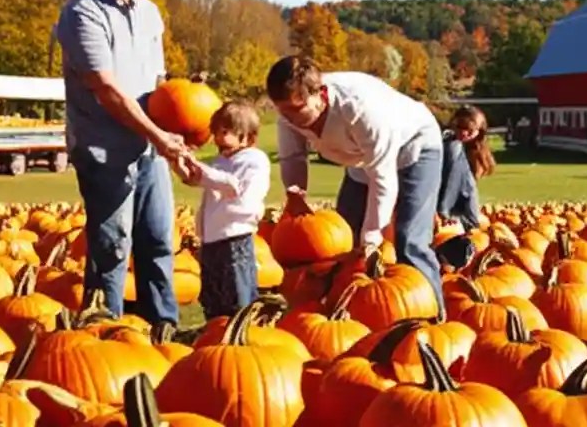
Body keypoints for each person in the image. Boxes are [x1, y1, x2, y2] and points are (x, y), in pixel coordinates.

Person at [55, 0, 187, 326]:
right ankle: (103, 329)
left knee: (159, 239)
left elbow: (159, 82)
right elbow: (108, 91)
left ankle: (163, 327)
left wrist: (177, 124)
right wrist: (159, 135)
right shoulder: (83, 13)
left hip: (149, 147)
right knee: (112, 246)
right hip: (104, 150)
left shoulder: (148, 13)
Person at [266, 55, 447, 317]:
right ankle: (346, 316)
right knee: (342, 240)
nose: (291, 118)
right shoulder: (289, 115)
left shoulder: (360, 109)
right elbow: (294, 157)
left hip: (415, 147)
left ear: (322, 95)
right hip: (361, 159)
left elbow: (382, 179)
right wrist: (295, 194)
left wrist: (372, 238)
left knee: (409, 239)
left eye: (298, 109)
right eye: (284, 111)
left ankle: (434, 316)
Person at [174, 100, 270, 320]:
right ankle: (214, 329)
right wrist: (180, 163)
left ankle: (242, 332)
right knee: (213, 294)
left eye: (225, 132)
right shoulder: (221, 161)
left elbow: (231, 185)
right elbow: (198, 179)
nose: (219, 138)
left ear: (248, 137)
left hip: (235, 239)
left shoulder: (253, 161)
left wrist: (199, 168)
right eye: (216, 132)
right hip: (212, 240)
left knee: (238, 294)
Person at [435, 105, 494, 269]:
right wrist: (443, 210)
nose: (463, 133)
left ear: (479, 131)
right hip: (453, 216)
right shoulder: (451, 146)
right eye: (459, 127)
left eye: (469, 129)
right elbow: (451, 183)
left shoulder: (475, 151)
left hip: (463, 215)